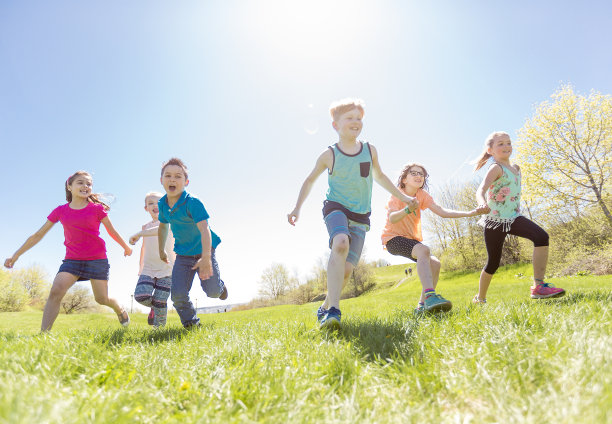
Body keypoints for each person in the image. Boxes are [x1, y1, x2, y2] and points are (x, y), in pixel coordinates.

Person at [287, 98, 419, 329]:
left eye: (359, 118)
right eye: (349, 118)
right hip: (335, 207)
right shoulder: (329, 154)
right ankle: (335, 311)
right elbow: (309, 180)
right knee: (340, 243)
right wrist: (297, 207)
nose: (355, 122)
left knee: (346, 270)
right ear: (335, 125)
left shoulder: (370, 150)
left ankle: (325, 307)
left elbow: (380, 177)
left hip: (361, 215)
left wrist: (405, 197)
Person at [4, 171, 132, 331]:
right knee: (56, 290)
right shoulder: (60, 211)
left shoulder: (97, 209)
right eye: (80, 182)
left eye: (89, 184)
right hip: (72, 260)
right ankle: (43, 335)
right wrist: (15, 255)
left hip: (97, 259)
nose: (85, 186)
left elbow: (112, 231)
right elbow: (38, 235)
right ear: (69, 186)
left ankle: (119, 309)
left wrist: (125, 247)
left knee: (101, 298)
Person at [473, 131, 565, 303]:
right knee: (493, 263)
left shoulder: (516, 169)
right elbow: (481, 190)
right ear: (490, 150)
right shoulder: (495, 168)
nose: (506, 146)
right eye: (500, 144)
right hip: (495, 220)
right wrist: (481, 203)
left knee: (541, 236)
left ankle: (539, 286)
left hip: (514, 217)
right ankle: (480, 298)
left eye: (508, 143)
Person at [382, 163, 488, 313]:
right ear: (404, 179)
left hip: (411, 240)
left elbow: (442, 212)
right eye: (414, 173)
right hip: (392, 239)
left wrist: (470, 213)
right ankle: (430, 296)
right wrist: (407, 209)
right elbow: (392, 218)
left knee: (435, 263)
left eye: (421, 174)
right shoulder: (398, 194)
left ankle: (422, 306)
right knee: (423, 249)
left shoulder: (422, 195)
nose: (419, 176)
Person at [157, 158, 228, 329]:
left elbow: (205, 230)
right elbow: (163, 227)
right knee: (178, 294)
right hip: (183, 255)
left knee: (212, 292)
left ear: (186, 182)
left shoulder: (192, 202)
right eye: (168, 176)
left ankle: (221, 287)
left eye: (177, 176)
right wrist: (161, 250)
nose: (172, 179)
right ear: (161, 180)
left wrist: (206, 258)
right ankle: (192, 324)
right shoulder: (162, 204)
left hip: (204, 250)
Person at [129, 192, 175, 327]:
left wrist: (140, 234)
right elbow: (144, 247)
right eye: (151, 203)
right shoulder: (145, 227)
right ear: (146, 208)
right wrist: (141, 266)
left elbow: (161, 229)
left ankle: (159, 332)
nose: (155, 205)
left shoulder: (170, 220)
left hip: (167, 268)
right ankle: (155, 307)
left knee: (161, 302)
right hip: (148, 268)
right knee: (140, 296)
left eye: (158, 202)